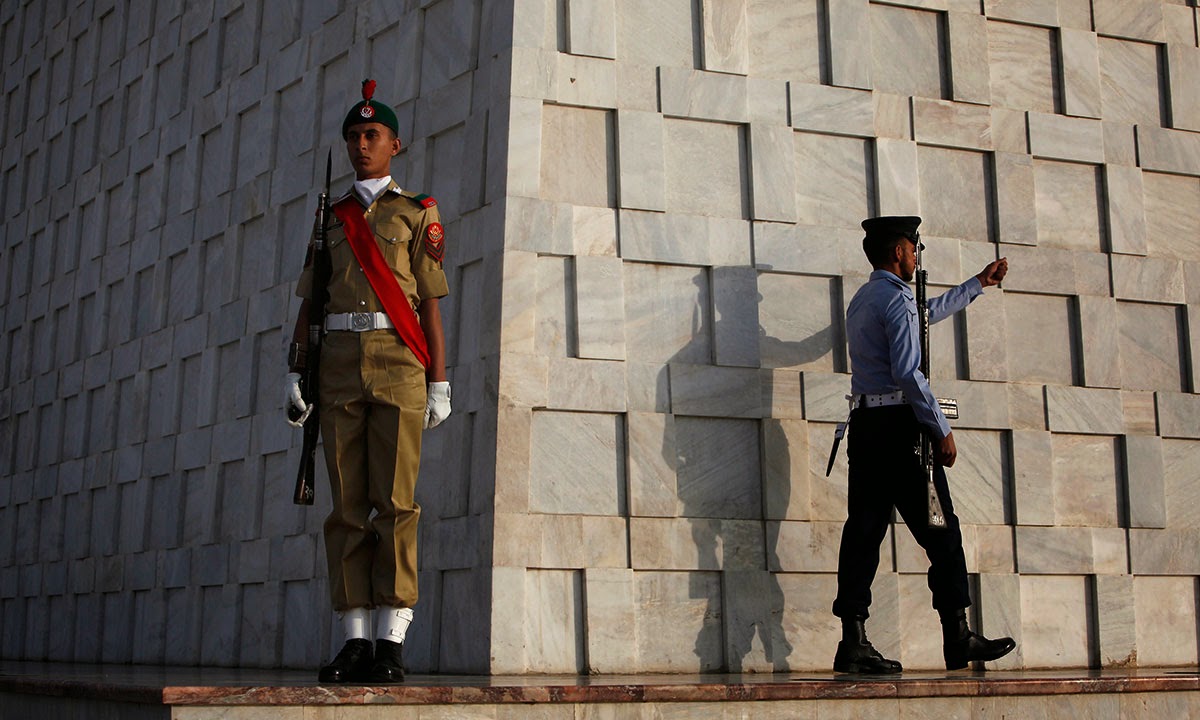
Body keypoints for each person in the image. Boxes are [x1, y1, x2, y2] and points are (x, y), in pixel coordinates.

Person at [285, 79, 451, 684]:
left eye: (371, 135)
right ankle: (355, 639)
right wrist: (295, 369)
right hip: (337, 370)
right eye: (353, 136)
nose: (361, 145)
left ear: (394, 145)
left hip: (400, 364)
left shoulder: (417, 214)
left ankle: (392, 640)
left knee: (396, 504)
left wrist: (439, 379)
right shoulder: (332, 217)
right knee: (348, 505)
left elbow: (430, 304)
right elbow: (311, 300)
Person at [831, 215, 1014, 674]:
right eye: (913, 249)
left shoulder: (864, 299)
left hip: (867, 429)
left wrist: (975, 284)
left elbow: (924, 315)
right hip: (901, 432)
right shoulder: (896, 302)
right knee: (942, 531)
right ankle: (958, 635)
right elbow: (910, 372)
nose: (915, 256)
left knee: (864, 532)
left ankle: (852, 640)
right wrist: (940, 428)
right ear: (899, 252)